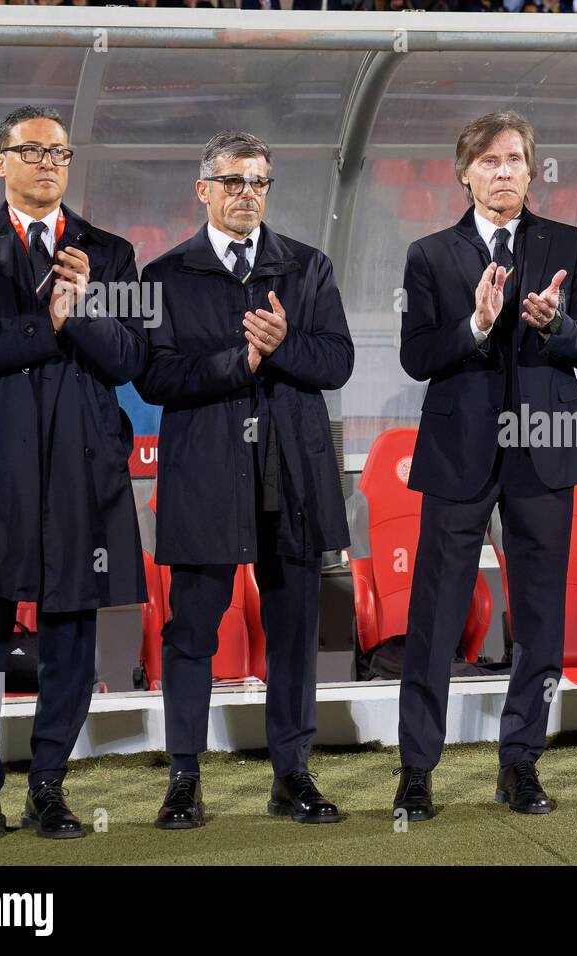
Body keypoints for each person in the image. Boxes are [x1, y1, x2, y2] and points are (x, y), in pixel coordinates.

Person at [0, 105, 147, 844]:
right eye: (32, 150)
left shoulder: (109, 253)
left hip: (80, 471)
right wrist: (44, 325)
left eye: (59, 152)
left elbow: (131, 361)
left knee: (71, 634)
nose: (49, 162)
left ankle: (48, 788)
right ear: (1, 163)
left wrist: (81, 311)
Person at [135, 131, 355, 829]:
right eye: (233, 181)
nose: (247, 193)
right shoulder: (164, 276)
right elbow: (152, 374)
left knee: (294, 631)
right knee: (193, 631)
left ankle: (292, 774)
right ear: (203, 190)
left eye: (258, 181)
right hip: (206, 474)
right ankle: (183, 779)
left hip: (290, 473)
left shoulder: (308, 267)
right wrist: (243, 362)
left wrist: (283, 345)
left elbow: (337, 362)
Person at [393, 112, 577, 821]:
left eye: (516, 158)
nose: (505, 170)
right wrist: (479, 326)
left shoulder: (569, 245)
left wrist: (556, 323)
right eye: (489, 161)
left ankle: (520, 763)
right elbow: (418, 357)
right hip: (459, 455)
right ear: (466, 173)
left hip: (543, 449)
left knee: (541, 618)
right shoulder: (429, 255)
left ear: (531, 167)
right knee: (435, 616)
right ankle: (417, 770)